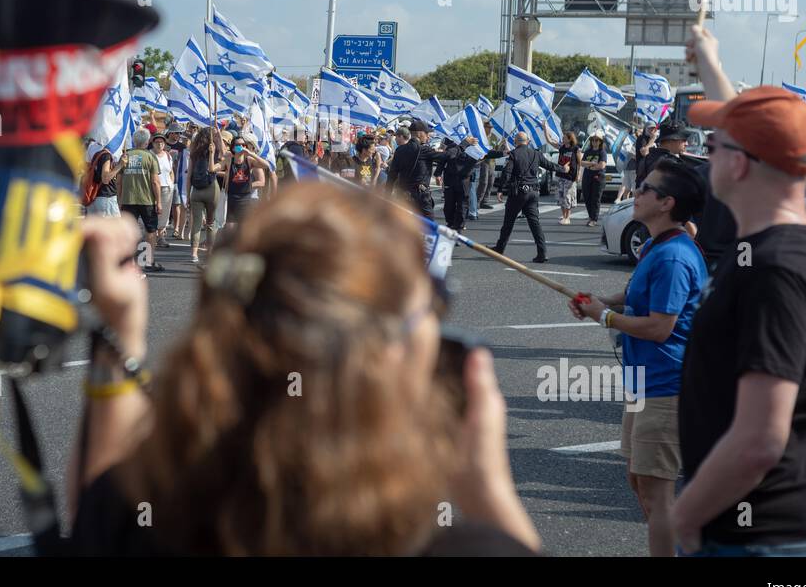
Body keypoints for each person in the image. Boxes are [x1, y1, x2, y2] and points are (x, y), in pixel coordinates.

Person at [67, 183, 541, 556]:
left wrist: (120, 334)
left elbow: (99, 511)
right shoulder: (459, 548)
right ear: (384, 353)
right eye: (435, 303)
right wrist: (489, 492)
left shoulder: (151, 524)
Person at [672, 25, 806, 557]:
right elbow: (755, 131)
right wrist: (709, 61)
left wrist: (684, 515)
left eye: (713, 145)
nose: (705, 154)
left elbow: (759, 441)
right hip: (762, 523)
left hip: (748, 534)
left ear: (739, 165)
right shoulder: (805, 237)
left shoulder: (774, 269)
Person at [569, 158, 708, 556]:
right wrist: (601, 301)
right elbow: (635, 294)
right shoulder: (655, 244)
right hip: (643, 382)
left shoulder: (674, 257)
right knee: (638, 479)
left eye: (646, 188)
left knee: (656, 492)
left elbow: (660, 326)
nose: (638, 192)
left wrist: (604, 316)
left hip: (668, 384)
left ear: (667, 203)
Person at [492, 129, 556, 262]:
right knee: (535, 224)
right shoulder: (536, 154)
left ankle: (499, 248)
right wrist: (565, 170)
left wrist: (500, 189)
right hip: (533, 192)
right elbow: (550, 165)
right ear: (528, 142)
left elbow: (507, 172)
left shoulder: (514, 154)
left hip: (518, 193)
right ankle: (542, 252)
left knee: (508, 222)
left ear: (515, 142)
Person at [118, 128, 163, 274]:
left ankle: (128, 262)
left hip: (128, 199)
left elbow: (119, 181)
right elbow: (155, 182)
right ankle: (147, 261)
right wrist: (159, 201)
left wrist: (119, 199)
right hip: (147, 200)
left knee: (127, 231)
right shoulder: (150, 157)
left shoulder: (125, 156)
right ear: (147, 141)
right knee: (150, 230)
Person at [385, 118, 443, 216]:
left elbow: (392, 174)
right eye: (427, 134)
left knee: (405, 225)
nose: (428, 137)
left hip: (403, 195)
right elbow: (447, 156)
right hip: (420, 196)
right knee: (427, 226)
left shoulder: (400, 150)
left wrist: (387, 193)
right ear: (420, 134)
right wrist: (463, 145)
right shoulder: (423, 150)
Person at [186, 126, 224, 265]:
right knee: (210, 223)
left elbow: (189, 176)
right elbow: (224, 155)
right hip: (212, 189)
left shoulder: (194, 153)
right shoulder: (215, 151)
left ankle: (194, 254)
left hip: (196, 190)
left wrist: (188, 194)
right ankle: (210, 253)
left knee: (196, 224)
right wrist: (219, 136)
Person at [435, 136, 478, 232]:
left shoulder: (475, 148)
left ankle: (458, 228)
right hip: (450, 179)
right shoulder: (452, 147)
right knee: (448, 206)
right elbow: (443, 159)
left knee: (462, 206)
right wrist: (438, 174)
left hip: (464, 180)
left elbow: (487, 153)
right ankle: (450, 224)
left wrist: (502, 153)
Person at [225, 134, 266, 228]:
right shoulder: (237, 158)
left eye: (244, 144)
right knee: (231, 227)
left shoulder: (251, 160)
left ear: (250, 146)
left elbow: (262, 181)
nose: (242, 147)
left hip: (250, 198)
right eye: (239, 145)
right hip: (236, 197)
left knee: (243, 228)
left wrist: (246, 185)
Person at [636, 119, 691, 186]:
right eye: (684, 140)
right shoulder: (671, 164)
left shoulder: (648, 159)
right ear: (671, 140)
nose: (686, 144)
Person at [86, 139, 121, 218]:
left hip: (95, 195)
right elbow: (105, 179)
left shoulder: (93, 151)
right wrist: (120, 165)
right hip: (106, 197)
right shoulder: (106, 155)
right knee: (114, 228)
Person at [151, 132, 174, 247]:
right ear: (153, 143)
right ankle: (152, 236)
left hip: (166, 188)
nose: (159, 144)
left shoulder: (168, 156)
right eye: (157, 142)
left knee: (164, 212)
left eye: (161, 142)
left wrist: (171, 184)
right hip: (152, 187)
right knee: (152, 211)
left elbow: (171, 171)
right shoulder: (149, 155)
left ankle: (161, 237)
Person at [555, 131, 583, 226]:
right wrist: (545, 128)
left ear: (569, 139)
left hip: (570, 176)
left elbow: (579, 163)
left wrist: (578, 175)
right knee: (561, 196)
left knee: (567, 196)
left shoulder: (575, 149)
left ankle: (568, 217)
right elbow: (550, 141)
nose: (562, 139)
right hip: (561, 175)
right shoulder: (562, 148)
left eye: (564, 138)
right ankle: (564, 216)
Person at [580, 132, 607, 227]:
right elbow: (581, 162)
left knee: (595, 199)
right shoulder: (587, 151)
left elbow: (602, 165)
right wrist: (592, 164)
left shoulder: (602, 152)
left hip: (598, 178)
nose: (594, 142)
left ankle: (594, 219)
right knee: (587, 197)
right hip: (587, 176)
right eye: (593, 140)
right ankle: (590, 217)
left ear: (600, 141)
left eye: (597, 140)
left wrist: (591, 165)